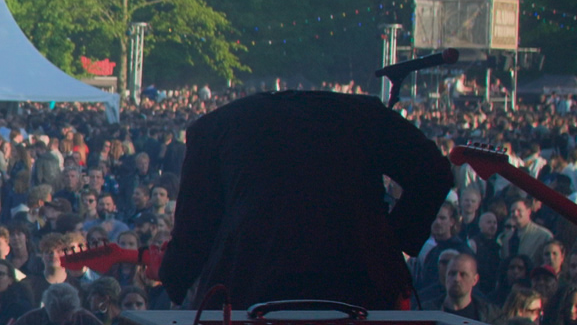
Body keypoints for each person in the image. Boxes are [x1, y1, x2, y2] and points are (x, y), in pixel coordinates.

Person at [160, 90, 451, 309]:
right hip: (359, 292)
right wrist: (391, 240)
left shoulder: (213, 129)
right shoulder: (366, 116)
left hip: (251, 297)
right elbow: (434, 172)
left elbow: (194, 231)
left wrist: (173, 278)